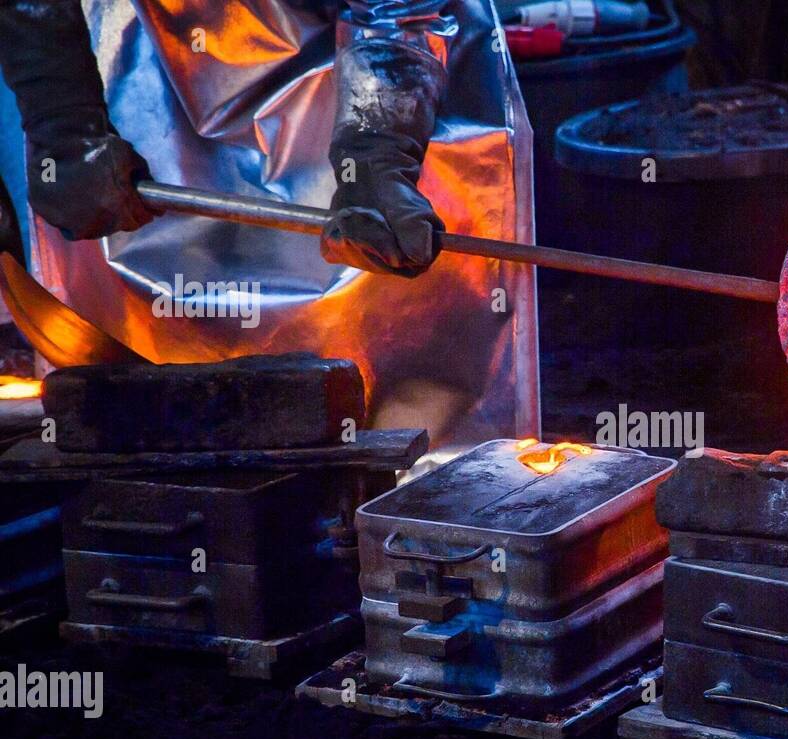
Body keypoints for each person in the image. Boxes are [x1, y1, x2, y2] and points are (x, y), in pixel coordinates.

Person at [0, 0, 538, 448]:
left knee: (417, 445)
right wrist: (65, 124)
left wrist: (379, 154)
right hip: (142, 71)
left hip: (385, 60)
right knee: (147, 435)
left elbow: (399, 10)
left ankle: (415, 535)